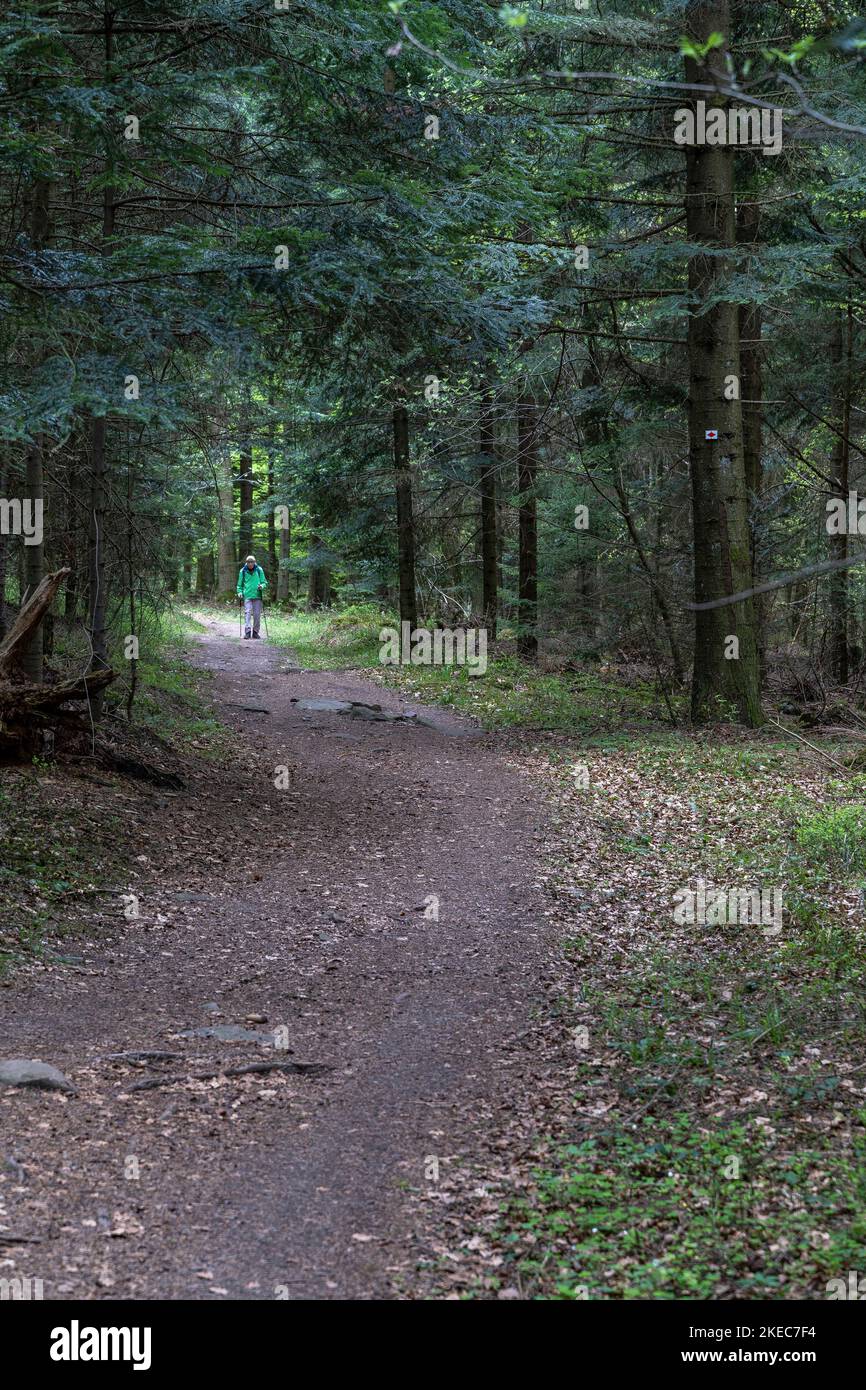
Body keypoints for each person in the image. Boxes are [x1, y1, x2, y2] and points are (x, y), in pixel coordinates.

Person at [237, 554, 268, 638]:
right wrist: (239, 592)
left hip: (257, 595)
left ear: (254, 562)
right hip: (247, 595)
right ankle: (247, 632)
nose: (250, 564)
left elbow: (264, 582)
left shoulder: (259, 570)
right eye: (248, 562)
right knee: (247, 613)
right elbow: (239, 585)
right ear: (246, 563)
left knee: (257, 614)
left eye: (252, 562)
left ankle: (255, 632)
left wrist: (262, 586)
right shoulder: (242, 571)